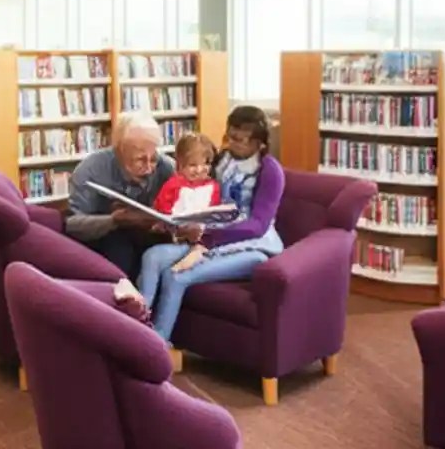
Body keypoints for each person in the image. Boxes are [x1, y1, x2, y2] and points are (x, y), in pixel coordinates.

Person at [134, 105, 285, 343]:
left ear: (259, 143)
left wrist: (206, 238)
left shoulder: (270, 171)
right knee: (152, 256)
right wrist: (174, 219)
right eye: (229, 136)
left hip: (251, 246)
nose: (231, 144)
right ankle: (136, 327)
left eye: (240, 140)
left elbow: (257, 226)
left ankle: (157, 343)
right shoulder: (223, 159)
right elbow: (199, 189)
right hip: (209, 234)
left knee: (176, 276)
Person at [66, 111, 188, 277]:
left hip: (152, 236)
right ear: (119, 150)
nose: (149, 168)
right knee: (118, 244)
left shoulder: (166, 167)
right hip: (108, 240)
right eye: (139, 159)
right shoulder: (90, 170)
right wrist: (113, 220)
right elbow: (72, 225)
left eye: (153, 158)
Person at [151, 133, 228, 273]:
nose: (199, 170)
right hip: (176, 239)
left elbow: (215, 215)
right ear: (180, 165)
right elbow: (161, 212)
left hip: (203, 240)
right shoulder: (173, 185)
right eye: (193, 165)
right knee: (152, 258)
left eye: (206, 164)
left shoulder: (214, 187)